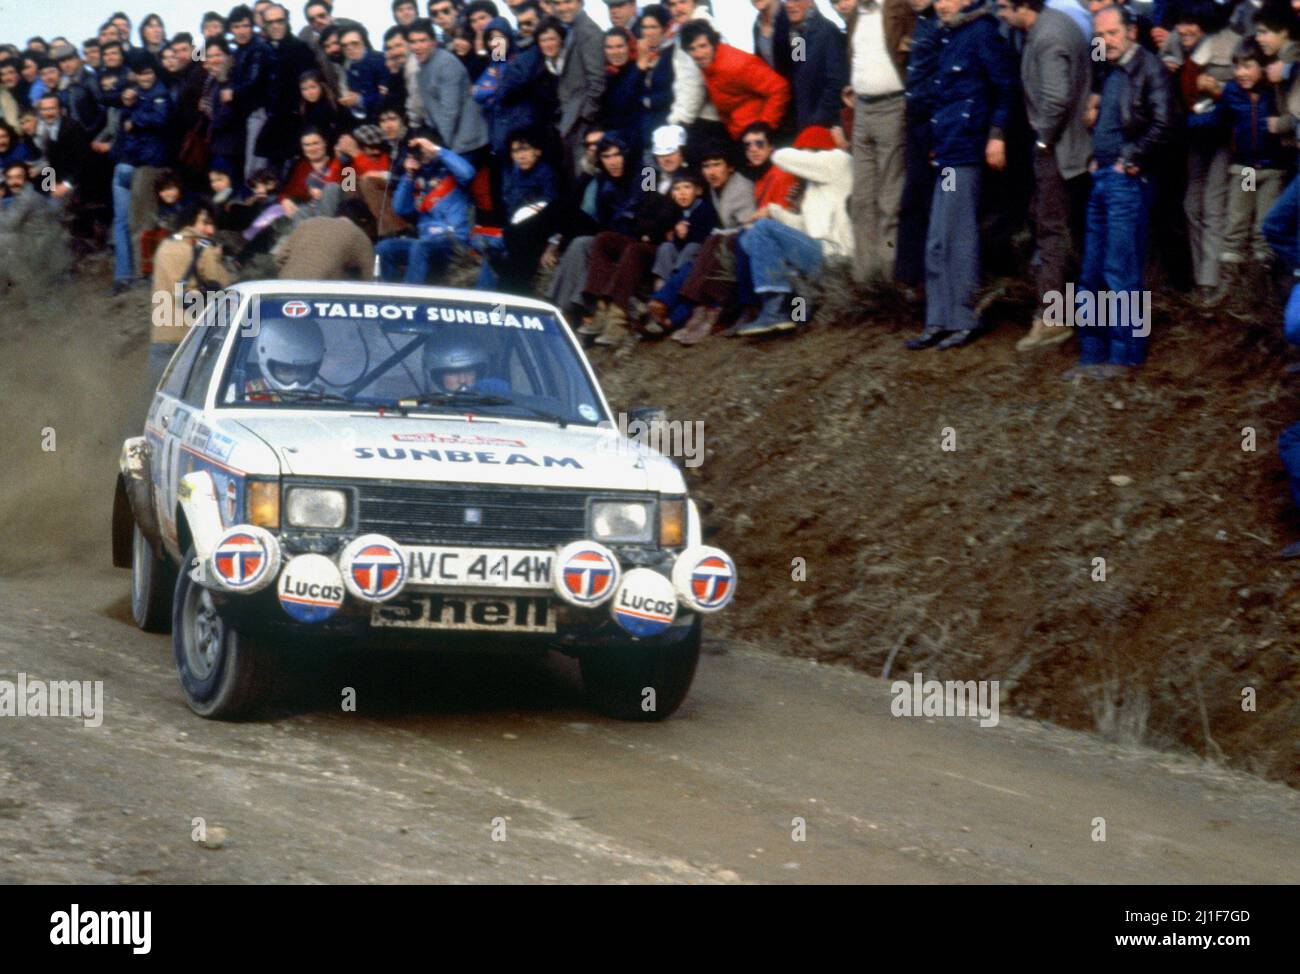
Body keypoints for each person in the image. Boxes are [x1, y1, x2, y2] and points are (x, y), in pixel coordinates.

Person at [905, 0, 1015, 351]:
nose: (941, 5)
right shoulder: (946, 36)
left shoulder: (981, 33)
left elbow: (1005, 87)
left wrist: (996, 135)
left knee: (958, 238)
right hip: (947, 151)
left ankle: (963, 319)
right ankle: (938, 319)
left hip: (966, 152)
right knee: (938, 240)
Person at [1071, 3, 1172, 375]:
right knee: (1092, 271)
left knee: (1121, 270)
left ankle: (1126, 355)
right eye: (1100, 35)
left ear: (1131, 30)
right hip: (1102, 179)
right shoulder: (1110, 70)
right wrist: (1100, 159)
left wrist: (1129, 159)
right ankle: (1092, 354)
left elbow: (1164, 124)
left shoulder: (1150, 68)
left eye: (1112, 33)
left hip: (1127, 182)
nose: (1106, 41)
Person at [995, 0, 1091, 353]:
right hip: (1068, 148)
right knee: (1061, 229)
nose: (1001, 14)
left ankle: (1053, 320)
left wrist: (1041, 139)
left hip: (1059, 150)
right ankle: (1073, 313)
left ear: (1024, 6)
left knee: (1050, 230)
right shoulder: (1055, 24)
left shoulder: (1048, 36)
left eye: (1005, 7)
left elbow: (1056, 98)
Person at [1188, 37, 1291, 276]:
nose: (1240, 72)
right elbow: (1217, 119)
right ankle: (1231, 281)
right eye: (1236, 67)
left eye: (1247, 66)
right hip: (1246, 169)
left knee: (1264, 226)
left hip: (1272, 170)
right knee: (1237, 221)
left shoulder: (1274, 92)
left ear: (1263, 67)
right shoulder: (1233, 93)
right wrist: (1188, 122)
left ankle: (1261, 281)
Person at [736, 126, 854, 336]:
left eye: (803, 152)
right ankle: (796, 316)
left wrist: (782, 151)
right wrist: (773, 211)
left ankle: (773, 311)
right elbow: (803, 227)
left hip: (835, 254)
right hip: (817, 250)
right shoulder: (812, 186)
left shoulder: (838, 162)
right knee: (752, 235)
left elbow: (782, 156)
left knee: (763, 229)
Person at [844, 0, 917, 285]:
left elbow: (917, 53)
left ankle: (891, 278)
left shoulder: (899, 8)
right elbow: (857, 56)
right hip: (862, 108)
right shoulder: (854, 16)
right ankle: (865, 282)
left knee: (890, 197)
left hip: (893, 105)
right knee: (861, 199)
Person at [148, 202, 234, 390]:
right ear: (192, 222)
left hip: (162, 336)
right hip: (191, 339)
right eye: (206, 223)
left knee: (154, 402)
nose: (210, 229)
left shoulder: (164, 247)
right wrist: (218, 259)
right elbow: (225, 288)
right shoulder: (204, 250)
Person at [376, 133, 476, 282]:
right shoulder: (415, 177)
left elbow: (468, 173)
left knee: (421, 246)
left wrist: (437, 150)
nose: (420, 153)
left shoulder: (450, 170)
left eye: (422, 149)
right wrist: (408, 175)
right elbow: (400, 209)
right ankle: (391, 296)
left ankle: (409, 299)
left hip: (454, 240)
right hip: (426, 242)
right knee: (383, 248)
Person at [679, 21, 790, 141]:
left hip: (758, 134)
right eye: (692, 49)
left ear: (714, 44)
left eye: (703, 46)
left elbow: (779, 87)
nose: (698, 54)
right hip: (738, 131)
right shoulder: (708, 65)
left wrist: (765, 127)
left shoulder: (736, 65)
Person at [406, 19, 490, 158]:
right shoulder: (421, 67)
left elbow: (450, 112)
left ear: (433, 41)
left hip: (469, 142)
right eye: (413, 42)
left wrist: (438, 149)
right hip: (451, 141)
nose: (417, 46)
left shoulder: (446, 64)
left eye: (422, 40)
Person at [554, 0, 607, 174]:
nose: (562, 8)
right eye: (558, 3)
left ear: (580, 3)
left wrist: (585, 116)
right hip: (569, 119)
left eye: (567, 2)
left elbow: (598, 79)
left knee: (583, 176)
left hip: (581, 122)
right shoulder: (567, 29)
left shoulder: (588, 32)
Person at [276, 208, 376, 278]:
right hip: (324, 293)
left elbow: (280, 258)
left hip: (286, 286)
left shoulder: (307, 223)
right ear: (364, 221)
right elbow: (371, 276)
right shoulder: (359, 235)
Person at [250, 317, 327, 397]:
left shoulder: (327, 400)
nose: (296, 383)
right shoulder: (246, 397)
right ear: (268, 365)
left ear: (314, 369)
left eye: (303, 370)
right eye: (286, 370)